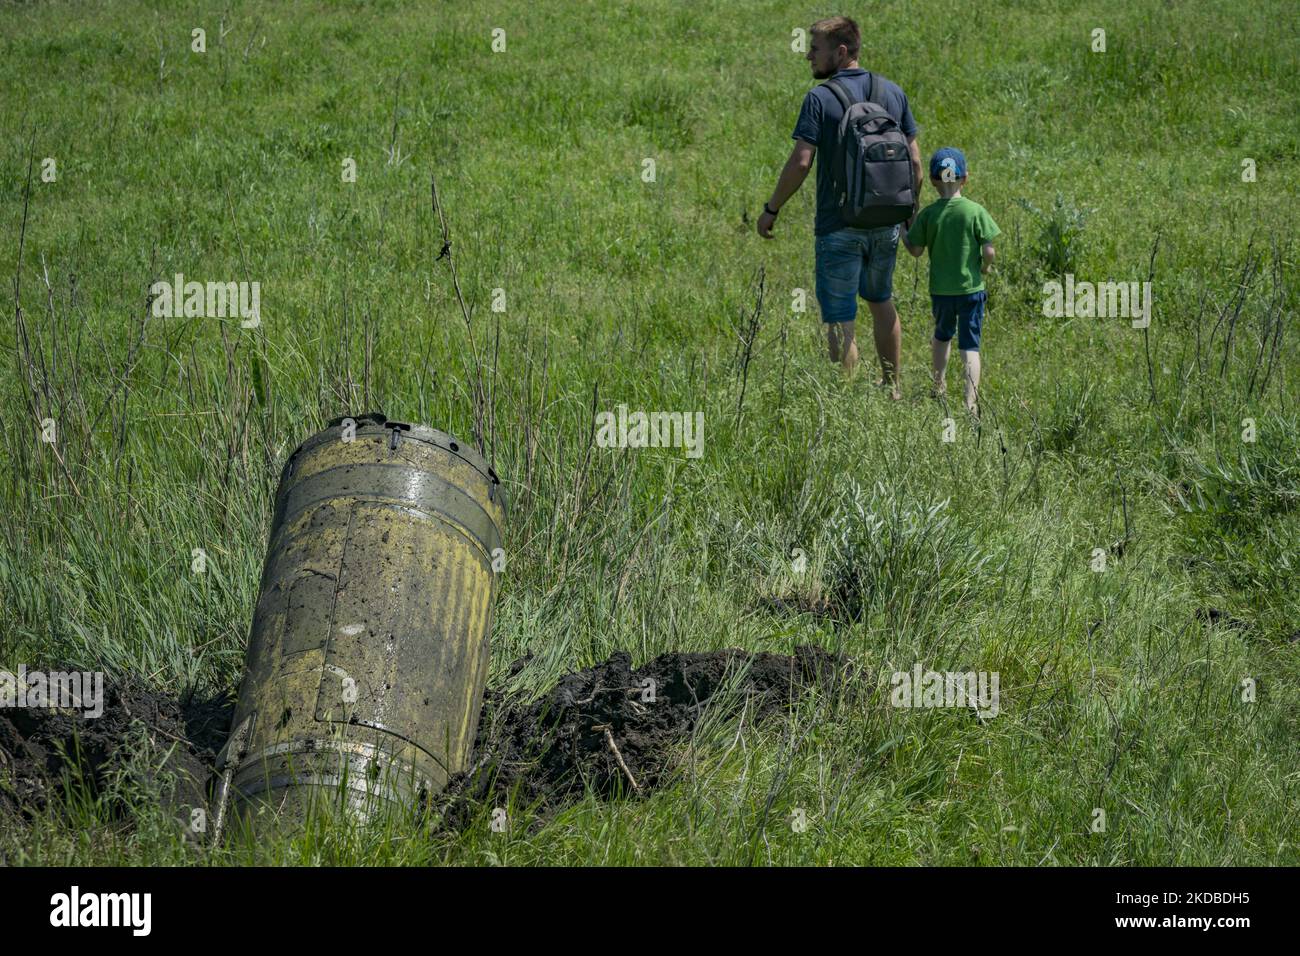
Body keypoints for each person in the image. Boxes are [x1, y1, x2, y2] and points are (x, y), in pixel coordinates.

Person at [758, 16, 922, 398]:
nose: (808, 57)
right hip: (886, 223)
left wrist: (772, 208)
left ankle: (845, 401)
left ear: (841, 51)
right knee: (881, 301)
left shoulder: (820, 98)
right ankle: (892, 388)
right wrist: (908, 215)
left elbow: (802, 160)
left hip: (838, 226)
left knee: (840, 318)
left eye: (815, 49)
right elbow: (914, 160)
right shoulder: (893, 93)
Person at [901, 147, 1001, 415]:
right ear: (965, 178)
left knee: (942, 336)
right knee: (970, 346)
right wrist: (984, 267)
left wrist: (903, 230)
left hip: (941, 292)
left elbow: (916, 250)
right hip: (971, 291)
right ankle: (970, 403)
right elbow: (989, 251)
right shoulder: (975, 211)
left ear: (933, 181)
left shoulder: (930, 214)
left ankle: (939, 385)